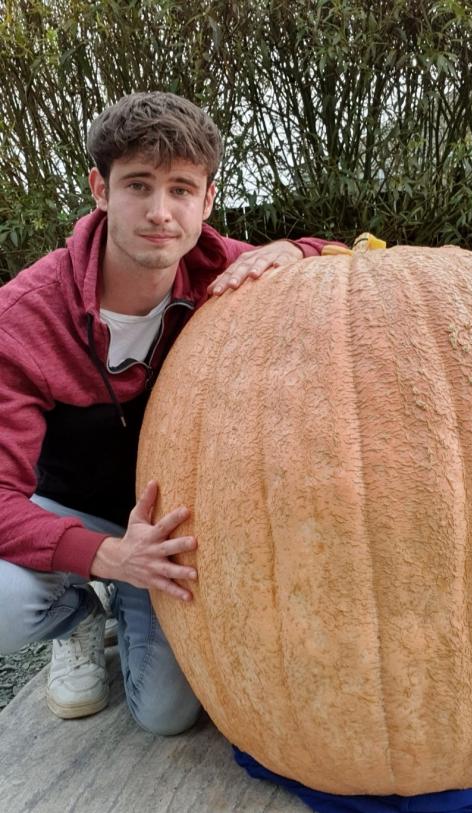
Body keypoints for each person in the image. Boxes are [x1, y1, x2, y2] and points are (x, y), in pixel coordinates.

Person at [0, 91, 336, 733]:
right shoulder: (23, 320)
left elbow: (358, 272)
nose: (160, 212)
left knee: (165, 716)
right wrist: (104, 555)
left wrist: (298, 251)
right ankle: (77, 616)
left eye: (181, 189)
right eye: (138, 185)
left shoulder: (220, 269)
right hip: (71, 511)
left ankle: (134, 595)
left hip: (172, 521)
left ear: (207, 201)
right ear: (100, 189)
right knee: (3, 603)